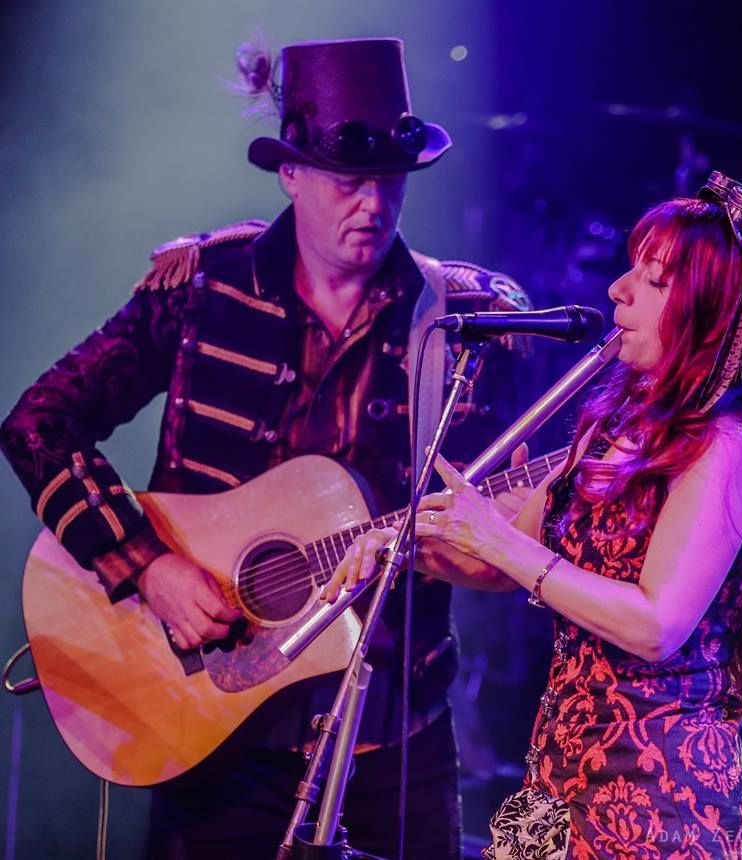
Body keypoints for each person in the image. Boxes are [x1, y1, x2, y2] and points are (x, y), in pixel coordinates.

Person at [1, 38, 530, 859]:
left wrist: (484, 544)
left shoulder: (459, 323)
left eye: (389, 184)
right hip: (209, 725)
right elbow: (39, 424)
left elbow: (503, 519)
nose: (372, 206)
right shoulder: (200, 289)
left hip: (391, 733)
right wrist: (148, 563)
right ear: (291, 173)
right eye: (349, 181)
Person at [333, 173, 742, 858]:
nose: (618, 290)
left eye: (654, 281)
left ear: (710, 314)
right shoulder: (614, 425)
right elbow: (498, 561)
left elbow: (655, 624)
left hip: (661, 792)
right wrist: (403, 544)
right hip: (554, 776)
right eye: (632, 268)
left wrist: (504, 544)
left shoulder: (729, 448)